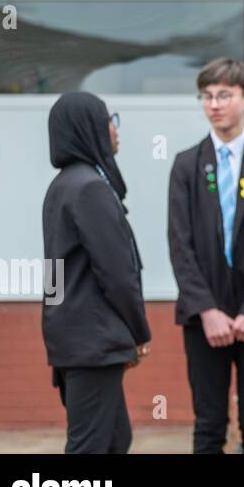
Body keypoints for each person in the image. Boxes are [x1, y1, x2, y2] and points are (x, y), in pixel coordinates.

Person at [167, 58, 244, 453]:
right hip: (204, 321)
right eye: (207, 96)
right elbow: (179, 244)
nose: (214, 104)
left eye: (224, 95)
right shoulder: (187, 166)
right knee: (208, 425)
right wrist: (206, 310)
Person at [41, 92, 151, 454]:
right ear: (89, 128)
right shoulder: (90, 188)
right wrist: (138, 330)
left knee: (116, 440)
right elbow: (118, 273)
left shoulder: (61, 186)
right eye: (109, 120)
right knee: (90, 447)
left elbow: (56, 274)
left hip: (75, 339)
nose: (114, 129)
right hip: (94, 341)